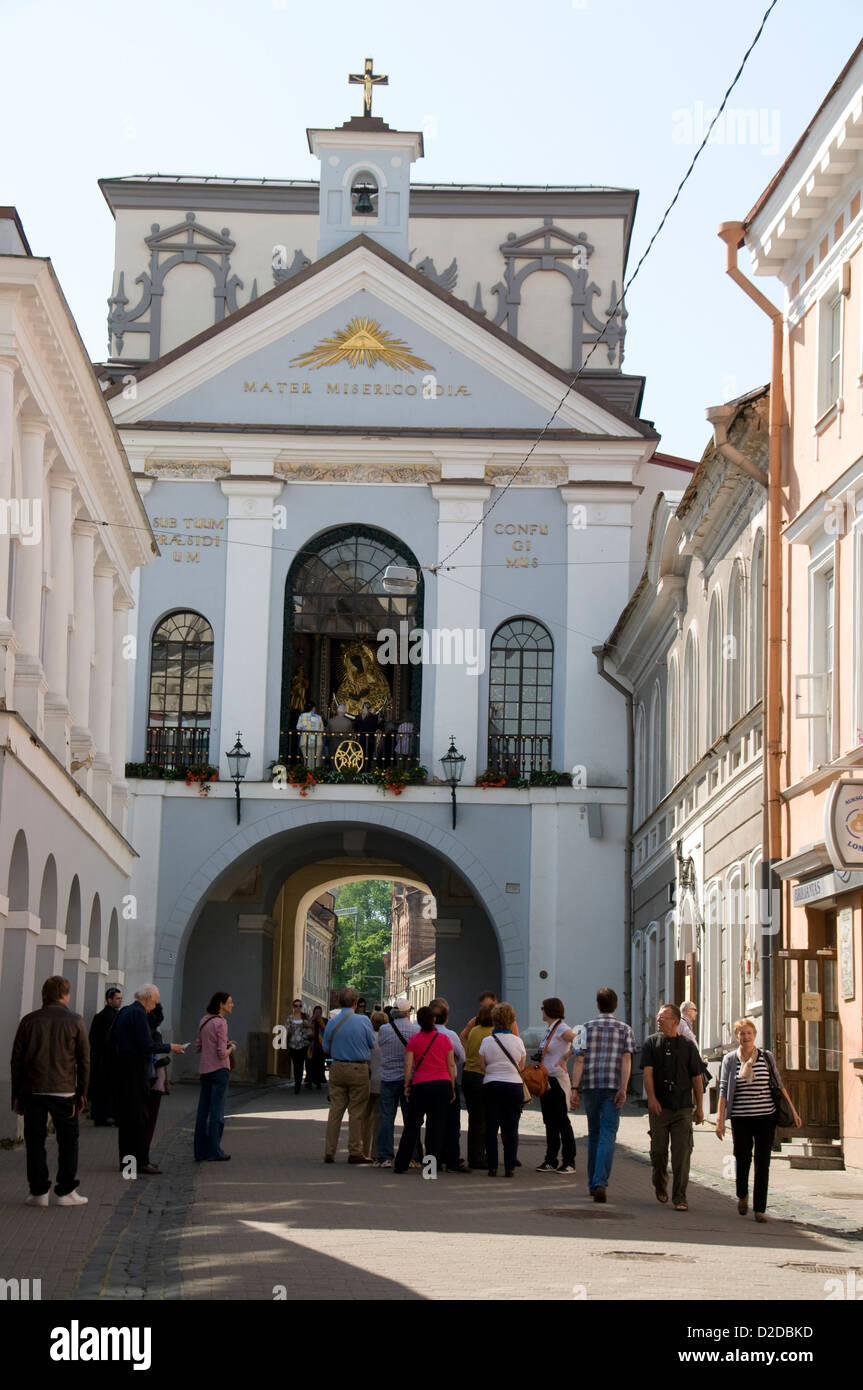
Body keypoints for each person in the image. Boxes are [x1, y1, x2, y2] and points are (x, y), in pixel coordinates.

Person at [11, 975, 90, 1207]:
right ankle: (65, 1191)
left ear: (44, 994)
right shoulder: (75, 1021)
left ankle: (38, 1192)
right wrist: (82, 1092)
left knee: (35, 1142)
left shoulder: (29, 1021)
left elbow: (16, 1061)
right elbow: (84, 1060)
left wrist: (16, 1094)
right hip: (64, 1090)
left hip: (33, 1090)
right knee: (68, 1141)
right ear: (65, 994)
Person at [716, 1016, 802, 1222]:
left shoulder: (766, 1057)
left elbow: (779, 1085)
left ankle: (760, 1209)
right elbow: (723, 1090)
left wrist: (793, 1111)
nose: (745, 1037)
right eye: (741, 1033)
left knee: (763, 1162)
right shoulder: (730, 1060)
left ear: (754, 1035)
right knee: (742, 1158)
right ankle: (743, 1194)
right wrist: (720, 1119)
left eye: (749, 1033)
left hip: (766, 1117)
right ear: (736, 1037)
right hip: (741, 1118)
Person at [570, 986, 637, 1201]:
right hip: (613, 1086)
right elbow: (627, 1059)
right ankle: (600, 1181)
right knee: (608, 1134)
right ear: (615, 1006)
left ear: (597, 1005)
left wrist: (574, 1088)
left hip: (591, 1086)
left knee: (594, 1134)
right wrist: (624, 1087)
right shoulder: (625, 1029)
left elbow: (579, 1059)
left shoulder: (585, 1028)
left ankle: (592, 1183)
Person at [114, 985, 185, 1177]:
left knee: (129, 1118)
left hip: (125, 1068)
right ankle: (140, 1162)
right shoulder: (138, 1014)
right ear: (147, 999)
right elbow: (147, 1045)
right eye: (154, 1002)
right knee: (139, 1118)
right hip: (135, 1069)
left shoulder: (125, 1011)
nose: (154, 1007)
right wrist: (171, 1046)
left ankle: (127, 1162)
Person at [641, 1003, 704, 1211]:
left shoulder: (687, 1046)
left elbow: (696, 1078)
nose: (659, 1020)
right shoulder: (651, 1043)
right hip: (660, 1108)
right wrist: (651, 1099)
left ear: (675, 1021)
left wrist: (700, 1106)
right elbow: (647, 1073)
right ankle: (659, 1183)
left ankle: (680, 1196)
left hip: (683, 1108)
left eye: (663, 1017)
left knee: (682, 1153)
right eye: (658, 1017)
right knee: (658, 1153)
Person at [394, 1006, 456, 1173]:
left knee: (412, 1125)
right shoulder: (445, 1039)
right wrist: (452, 1086)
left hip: (421, 1085)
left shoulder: (414, 1040)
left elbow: (408, 1064)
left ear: (419, 1022)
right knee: (435, 1127)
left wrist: (407, 1085)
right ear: (434, 1020)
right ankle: (430, 1168)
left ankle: (401, 1164)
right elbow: (451, 1064)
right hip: (442, 1084)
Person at [322, 987, 375, 1163]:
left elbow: (325, 1048)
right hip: (358, 1069)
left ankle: (329, 1151)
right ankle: (355, 1151)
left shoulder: (332, 1022)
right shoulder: (363, 1021)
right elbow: (371, 1043)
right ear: (355, 1003)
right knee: (356, 1112)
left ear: (339, 1002)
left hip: (337, 1067)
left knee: (336, 1110)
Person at [478, 1002, 525, 1178]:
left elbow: (482, 1066)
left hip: (491, 1085)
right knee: (511, 1127)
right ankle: (510, 1167)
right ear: (512, 1020)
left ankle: (492, 1167)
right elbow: (521, 1066)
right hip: (513, 1086)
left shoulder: (487, 1041)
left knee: (491, 1127)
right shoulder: (518, 1042)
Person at [375, 996, 420, 1169]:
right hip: (409, 1079)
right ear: (408, 1013)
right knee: (411, 1119)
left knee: (387, 1118)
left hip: (388, 1078)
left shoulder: (384, 1030)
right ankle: (411, 1156)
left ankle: (385, 1157)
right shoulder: (415, 1030)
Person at [534, 997, 577, 1174]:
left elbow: (578, 1041)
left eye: (542, 1008)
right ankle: (550, 1159)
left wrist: (566, 1057)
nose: (541, 1011)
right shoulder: (551, 1029)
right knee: (549, 1121)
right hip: (547, 1079)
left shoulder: (562, 1029)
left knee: (561, 1120)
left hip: (557, 1079)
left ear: (549, 1010)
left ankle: (569, 1161)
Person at [193, 991, 237, 1162]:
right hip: (219, 1070)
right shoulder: (221, 1022)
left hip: (205, 1070)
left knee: (202, 1112)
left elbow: (198, 1045)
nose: (232, 1004)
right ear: (221, 1004)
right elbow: (221, 1054)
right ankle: (214, 1151)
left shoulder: (204, 1020)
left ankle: (199, 1151)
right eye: (230, 1002)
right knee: (217, 1112)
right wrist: (231, 1048)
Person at [430, 997, 470, 1173]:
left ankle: (432, 1162)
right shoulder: (451, 1035)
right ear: (446, 1018)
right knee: (452, 1124)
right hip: (447, 1082)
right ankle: (451, 1159)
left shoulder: (420, 1033)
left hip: (426, 1082)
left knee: (432, 1124)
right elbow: (462, 1057)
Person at [462, 1002, 493, 1169]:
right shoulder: (491, 1034)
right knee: (483, 1119)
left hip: (468, 1074)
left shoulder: (474, 1031)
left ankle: (473, 1155)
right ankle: (478, 1158)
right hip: (482, 1076)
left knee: (474, 1119)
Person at [88, 985, 122, 1125]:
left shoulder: (100, 1016)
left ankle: (98, 1115)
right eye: (117, 998)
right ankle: (107, 1116)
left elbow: (92, 1038)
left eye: (121, 998)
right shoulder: (113, 1017)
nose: (120, 1001)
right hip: (109, 1059)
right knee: (108, 1089)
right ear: (109, 1000)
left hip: (99, 1059)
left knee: (99, 1089)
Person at [144, 1002, 171, 1155]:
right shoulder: (155, 1035)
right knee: (149, 1123)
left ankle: (134, 1161)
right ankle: (142, 1157)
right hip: (154, 1081)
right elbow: (156, 1059)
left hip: (142, 1081)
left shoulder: (143, 1031)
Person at [362, 1010, 388, 1159]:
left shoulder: (369, 1038)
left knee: (365, 1117)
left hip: (368, 1079)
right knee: (379, 1118)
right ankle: (376, 1152)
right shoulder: (388, 1038)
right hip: (383, 1081)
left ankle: (363, 1150)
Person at [286, 999, 312, 1094]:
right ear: (293, 1007)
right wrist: (290, 1030)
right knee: (295, 1064)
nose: (298, 1008)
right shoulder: (290, 1018)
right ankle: (297, 1082)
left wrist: (307, 1024)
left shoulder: (305, 1016)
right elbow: (287, 1030)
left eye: (299, 1006)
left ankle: (298, 1085)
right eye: (296, 1006)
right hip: (293, 1045)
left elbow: (311, 1028)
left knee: (300, 1065)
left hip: (303, 1045)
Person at [296, 702, 324, 769]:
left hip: (305, 741)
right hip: (317, 742)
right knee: (316, 761)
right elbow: (322, 729)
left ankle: (308, 776)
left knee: (307, 760)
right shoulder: (318, 717)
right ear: (313, 708)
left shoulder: (302, 716)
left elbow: (298, 727)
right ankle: (315, 776)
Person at [305, 1004, 327, 1090]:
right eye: (316, 1012)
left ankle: (318, 1082)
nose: (318, 1014)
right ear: (313, 1012)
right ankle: (309, 1081)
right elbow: (306, 1028)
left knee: (320, 1065)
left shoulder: (324, 1021)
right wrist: (312, 1018)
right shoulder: (311, 1021)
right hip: (311, 1048)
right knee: (310, 1065)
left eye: (319, 1012)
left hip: (321, 1048)